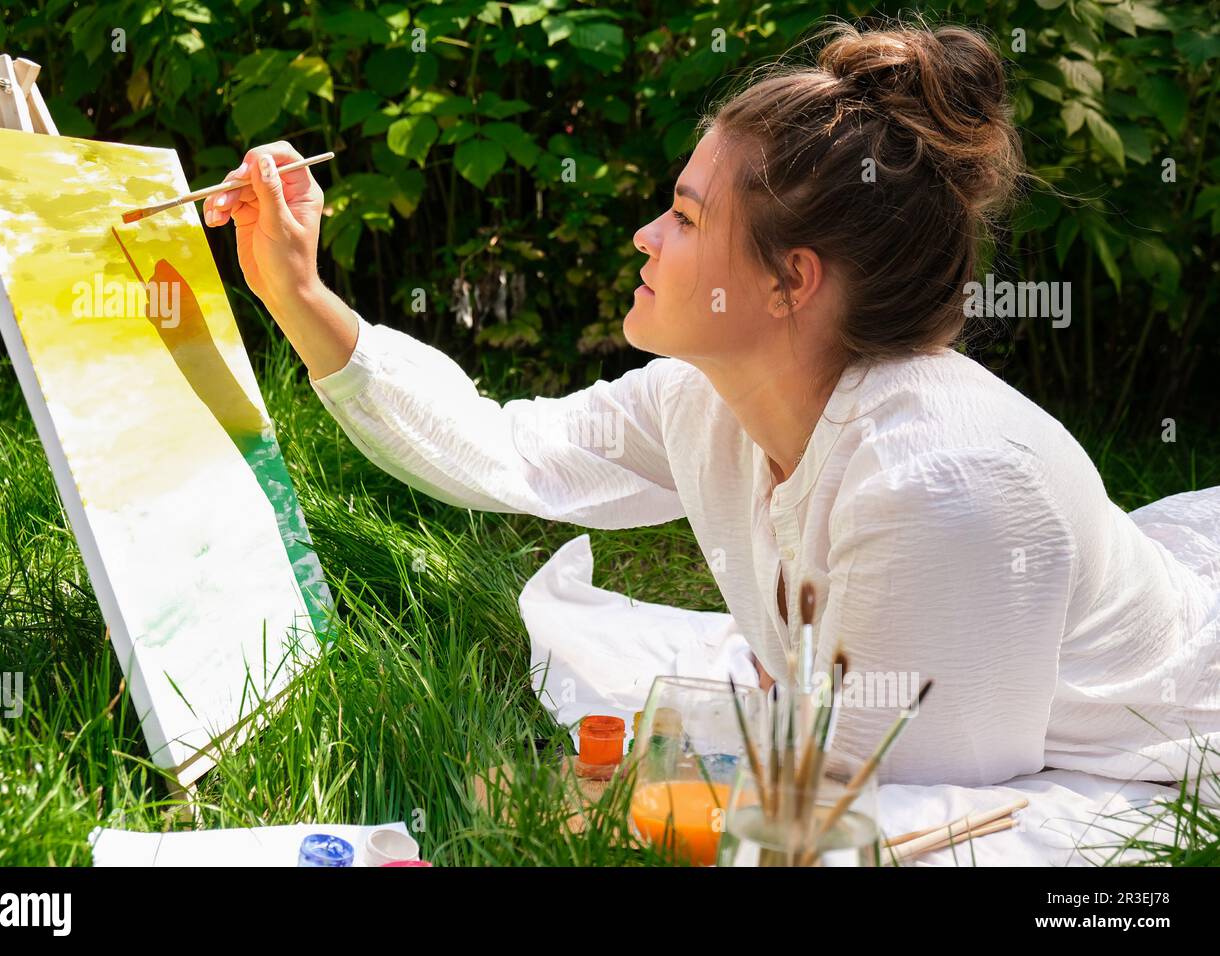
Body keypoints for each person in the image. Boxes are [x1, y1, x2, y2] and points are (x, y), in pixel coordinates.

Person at [204, 21, 1220, 788]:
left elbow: (919, 811)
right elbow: (507, 450)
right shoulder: (708, 396)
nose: (646, 235)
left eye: (685, 216)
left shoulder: (945, 490)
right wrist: (297, 292)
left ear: (791, 282)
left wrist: (582, 794)